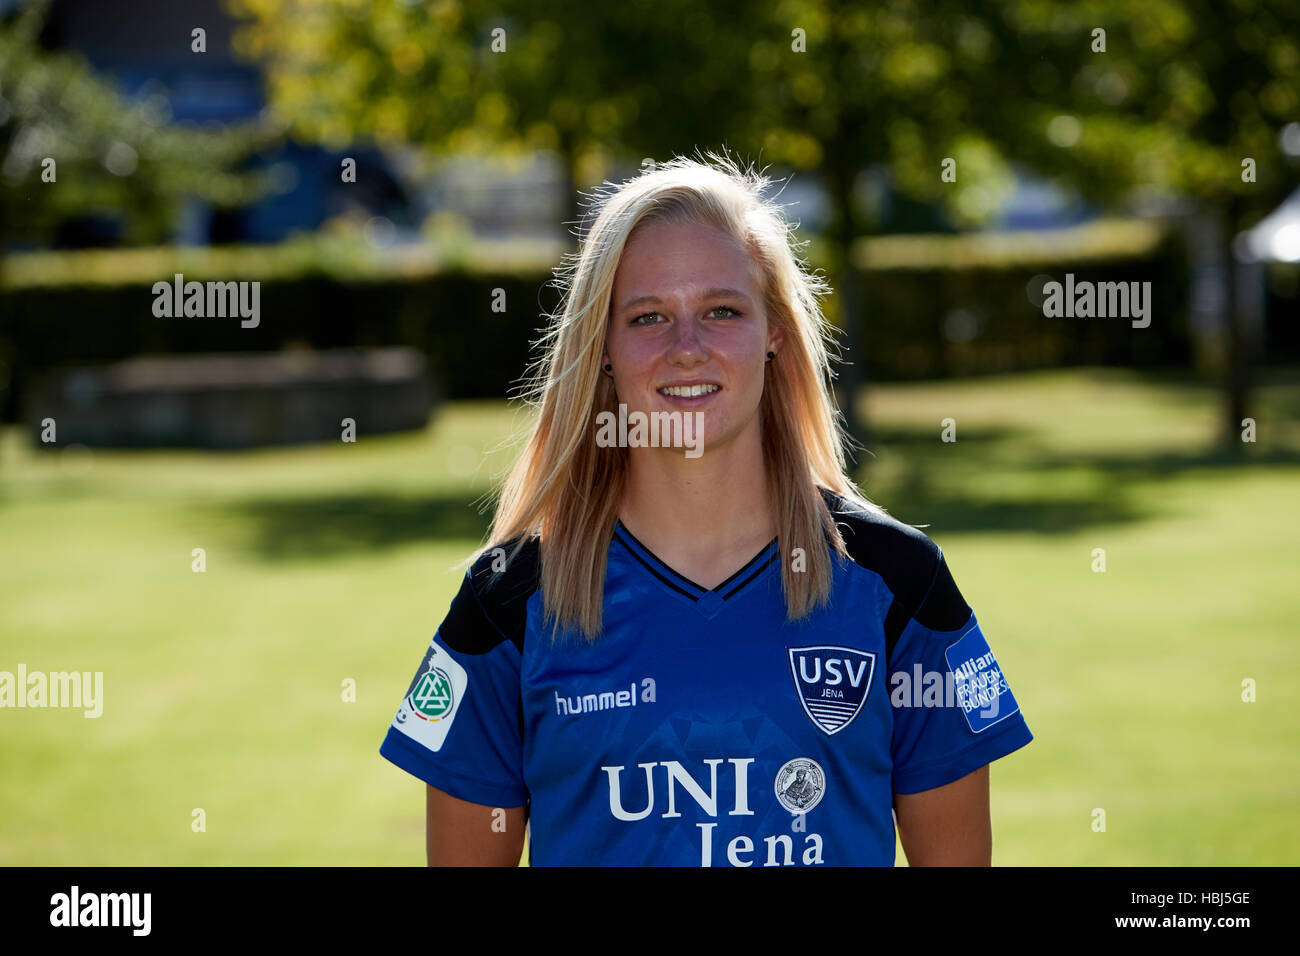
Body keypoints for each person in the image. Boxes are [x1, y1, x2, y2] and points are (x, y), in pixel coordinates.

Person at [379, 151, 1033, 866]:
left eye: (722, 311)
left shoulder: (899, 584)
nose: (686, 349)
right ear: (601, 347)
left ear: (773, 332)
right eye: (648, 317)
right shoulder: (507, 603)